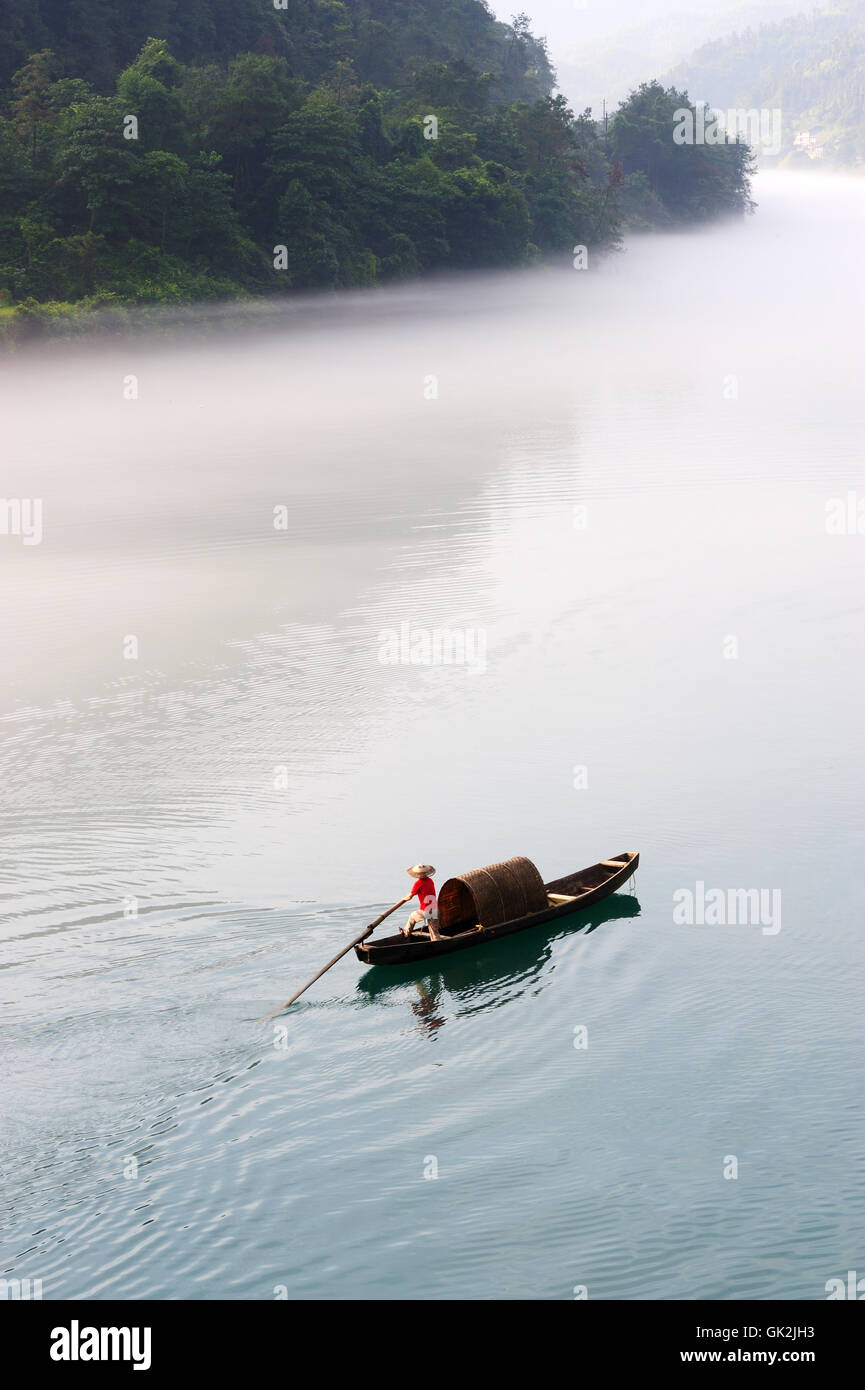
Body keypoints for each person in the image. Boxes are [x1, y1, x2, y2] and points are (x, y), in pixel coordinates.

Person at [400, 863, 442, 941]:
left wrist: (404, 898)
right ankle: (437, 943)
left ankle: (406, 933)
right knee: (434, 932)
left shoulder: (418, 883)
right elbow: (422, 891)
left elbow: (409, 897)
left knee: (412, 917)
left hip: (426, 910)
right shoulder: (430, 881)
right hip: (434, 908)